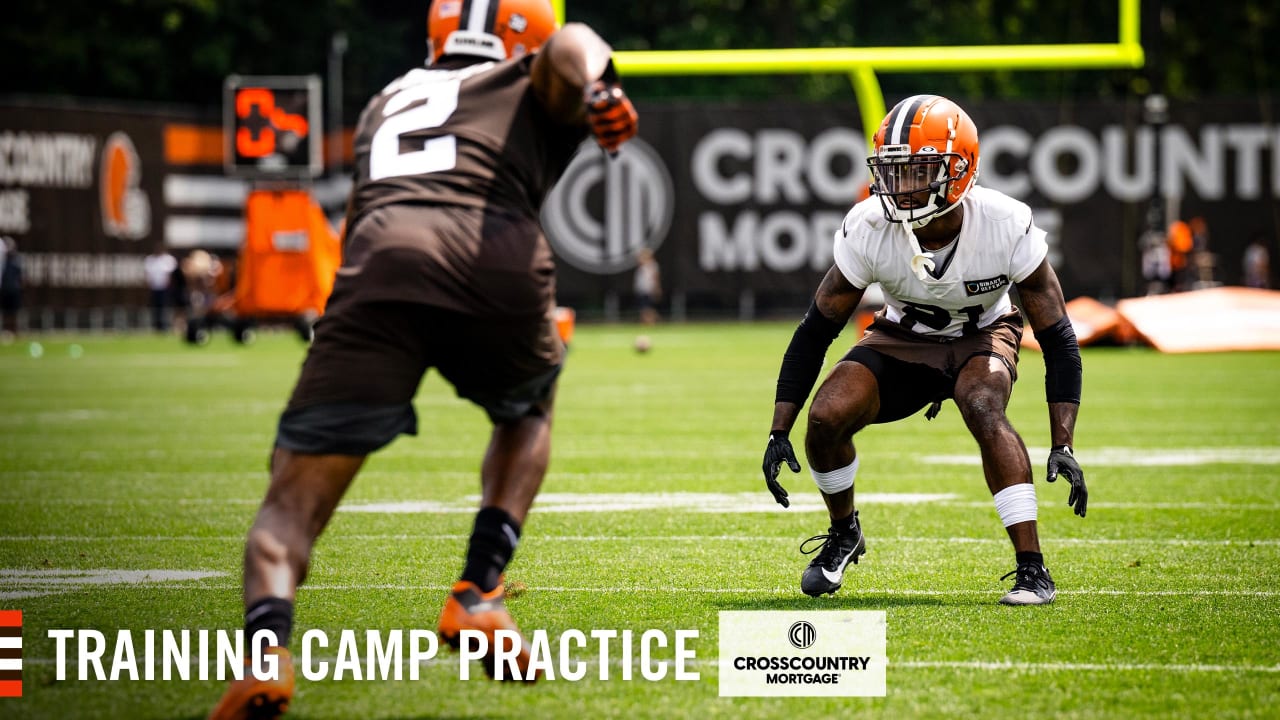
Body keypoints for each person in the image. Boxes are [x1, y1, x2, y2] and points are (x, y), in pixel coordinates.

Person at [209, 1, 638, 717]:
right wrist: (597, 84)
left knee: (286, 506)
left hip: (378, 265)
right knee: (530, 407)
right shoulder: (527, 76)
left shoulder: (388, 97)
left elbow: (358, 218)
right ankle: (477, 588)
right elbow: (572, 42)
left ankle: (265, 653)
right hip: (490, 248)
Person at [761, 95, 1086, 606]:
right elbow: (816, 329)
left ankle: (1032, 568)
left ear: (959, 171)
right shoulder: (869, 225)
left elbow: (1059, 337)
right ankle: (845, 533)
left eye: (917, 171)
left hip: (983, 334)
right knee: (825, 419)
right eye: (893, 172)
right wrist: (781, 428)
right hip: (902, 337)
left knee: (983, 405)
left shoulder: (1005, 224)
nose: (900, 186)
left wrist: (1062, 442)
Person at [143, 242, 177, 331]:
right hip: (154, 288)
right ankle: (156, 325)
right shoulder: (149, 259)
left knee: (165, 307)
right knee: (155, 307)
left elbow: (171, 274)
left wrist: (169, 284)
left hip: (165, 289)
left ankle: (165, 325)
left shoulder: (168, 259)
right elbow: (147, 274)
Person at [633, 247, 661, 325]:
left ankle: (651, 322)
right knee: (643, 308)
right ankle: (647, 322)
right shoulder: (641, 267)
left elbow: (656, 278)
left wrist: (656, 289)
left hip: (649, 290)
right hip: (641, 291)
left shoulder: (653, 266)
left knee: (647, 308)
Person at [0, 237, 21, 339]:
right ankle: (5, 331)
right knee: (5, 311)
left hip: (13, 291)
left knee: (13, 312)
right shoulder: (3, 262)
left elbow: (20, 276)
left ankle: (14, 332)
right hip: (4, 289)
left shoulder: (16, 261)